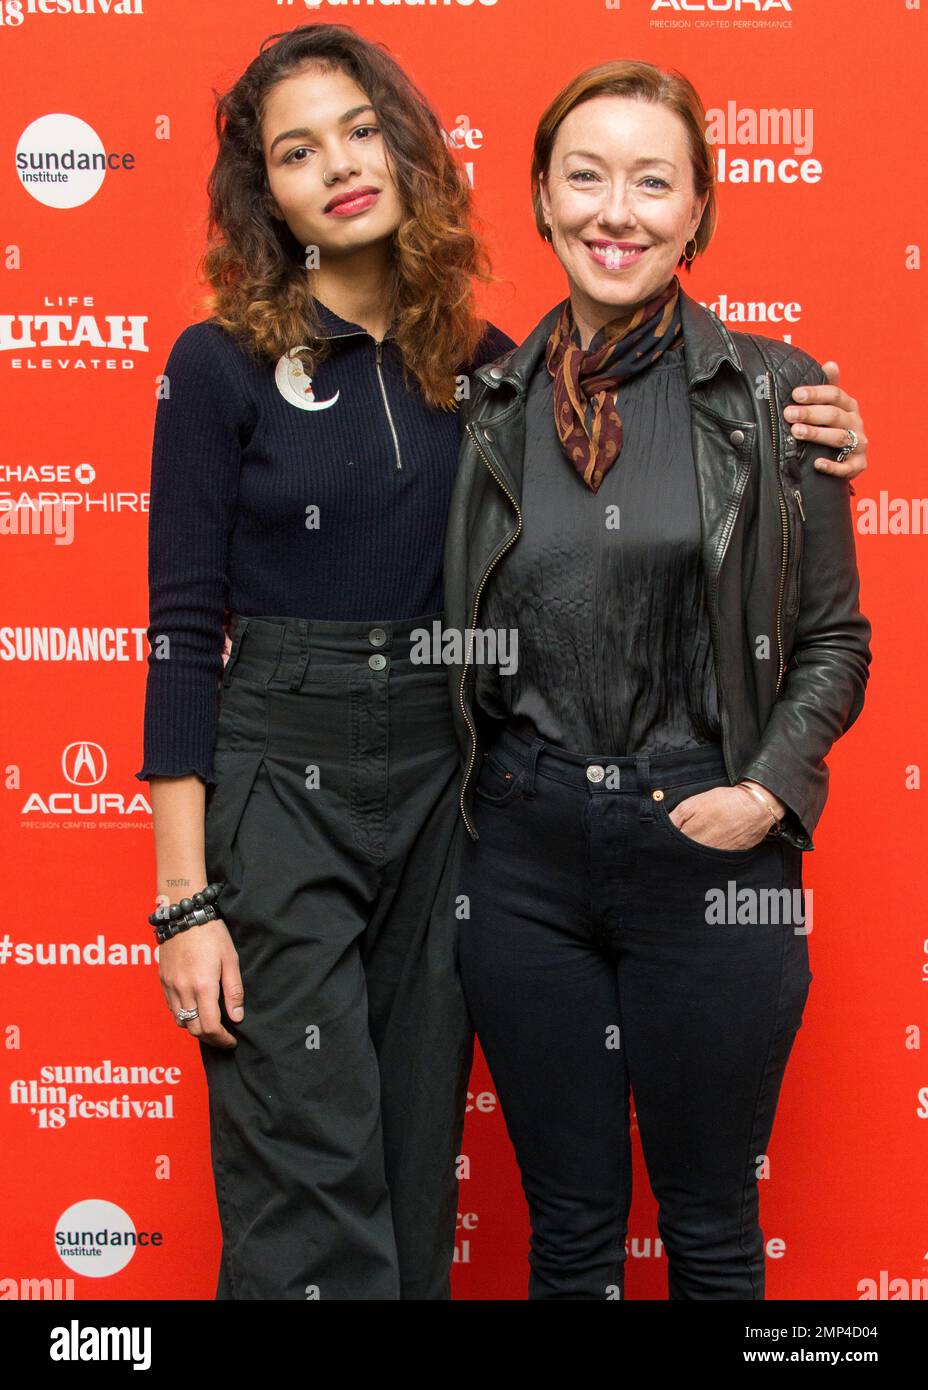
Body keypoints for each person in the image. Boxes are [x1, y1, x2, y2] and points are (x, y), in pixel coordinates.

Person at [443, 60, 872, 1300]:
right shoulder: (482, 400)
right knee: (569, 1238)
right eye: (583, 176)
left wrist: (765, 791)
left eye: (651, 181)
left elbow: (835, 642)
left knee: (711, 1233)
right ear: (537, 197)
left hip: (713, 854)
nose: (613, 211)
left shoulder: (777, 395)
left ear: (700, 213)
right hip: (520, 861)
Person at [135, 24, 512, 1300]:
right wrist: (185, 903)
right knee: (311, 1187)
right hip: (277, 777)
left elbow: (642, 495)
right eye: (298, 152)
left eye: (360, 129)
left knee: (413, 1168)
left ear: (406, 148)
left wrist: (795, 414)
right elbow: (183, 635)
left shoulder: (489, 370)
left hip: (442, 784)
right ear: (268, 196)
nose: (339, 165)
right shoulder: (219, 365)